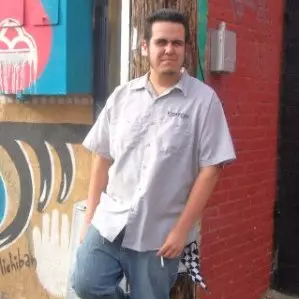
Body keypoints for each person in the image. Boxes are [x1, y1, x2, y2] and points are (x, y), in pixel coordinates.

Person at [71, 8, 236, 299]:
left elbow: (211, 169)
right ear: (146, 46)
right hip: (111, 221)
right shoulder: (122, 96)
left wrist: (181, 230)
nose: (169, 49)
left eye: (177, 43)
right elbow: (102, 157)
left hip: (159, 232)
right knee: (86, 282)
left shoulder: (204, 102)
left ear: (186, 48)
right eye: (161, 42)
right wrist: (90, 218)